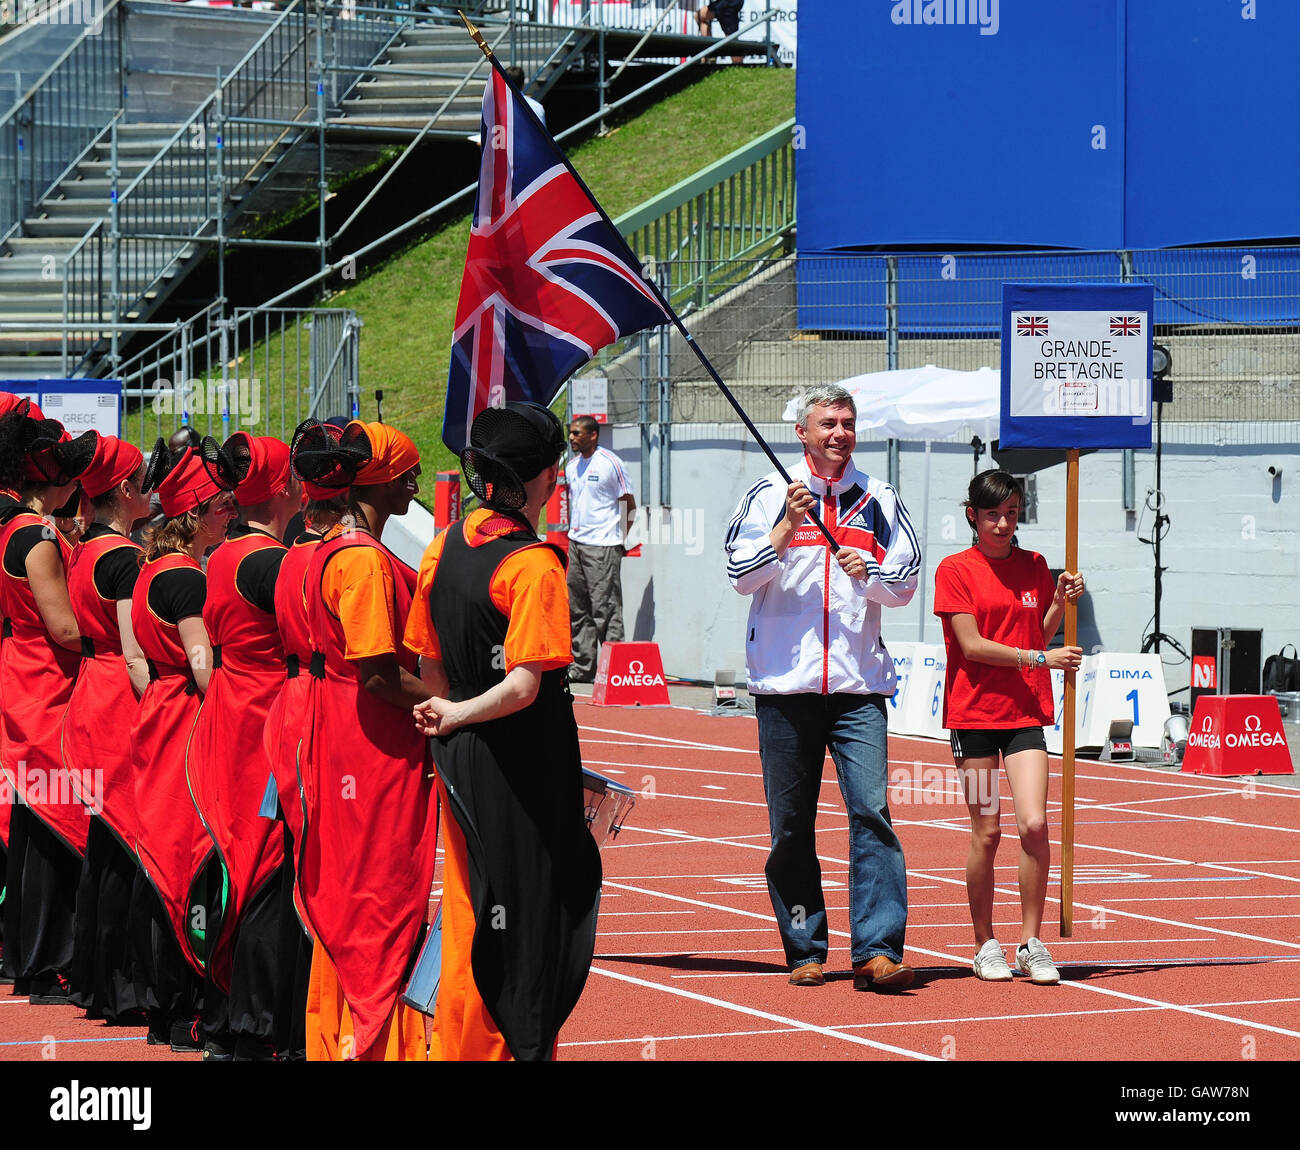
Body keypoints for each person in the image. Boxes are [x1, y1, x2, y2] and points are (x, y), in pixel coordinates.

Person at [408, 402, 601, 1061]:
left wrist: (453, 717)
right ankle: (507, 1048)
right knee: (527, 921)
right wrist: (464, 715)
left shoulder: (443, 545)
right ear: (544, 479)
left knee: (472, 908)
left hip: (461, 761)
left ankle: (460, 1045)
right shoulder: (533, 565)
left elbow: (430, 663)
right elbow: (524, 686)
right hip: (518, 767)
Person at [724, 383, 920, 991]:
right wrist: (785, 526)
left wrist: (873, 575)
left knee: (872, 812)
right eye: (827, 422)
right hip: (784, 688)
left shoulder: (879, 497)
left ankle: (877, 949)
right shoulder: (767, 495)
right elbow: (737, 574)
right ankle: (804, 947)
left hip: (859, 689)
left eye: (847, 422)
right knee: (790, 826)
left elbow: (908, 578)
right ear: (802, 433)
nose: (840, 432)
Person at [293, 420, 435, 1061]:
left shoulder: (317, 548)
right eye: (406, 472)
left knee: (345, 883)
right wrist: (450, 705)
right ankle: (371, 1038)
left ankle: (336, 1030)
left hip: (331, 724)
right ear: (378, 482)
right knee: (381, 887)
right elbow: (376, 672)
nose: (415, 481)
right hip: (369, 740)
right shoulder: (361, 562)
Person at [932, 469, 1084, 985]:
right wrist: (1039, 659)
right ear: (972, 515)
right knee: (987, 830)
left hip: (1024, 715)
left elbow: (1039, 632)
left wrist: (1062, 601)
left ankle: (1031, 942)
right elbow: (972, 645)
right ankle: (983, 943)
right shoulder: (955, 570)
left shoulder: (1036, 565)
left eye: (1013, 514)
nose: (1003, 524)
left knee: (1035, 824)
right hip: (972, 716)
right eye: (993, 514)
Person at [185, 432, 298, 1060]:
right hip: (263, 719)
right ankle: (256, 1023)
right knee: (266, 868)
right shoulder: (272, 562)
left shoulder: (224, 553)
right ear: (283, 486)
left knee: (236, 864)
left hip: (229, 711)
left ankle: (227, 1014)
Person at [128, 443, 237, 1050]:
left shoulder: (148, 569)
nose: (230, 512)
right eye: (220, 505)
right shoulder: (186, 578)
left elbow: (137, 659)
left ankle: (164, 1005)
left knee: (166, 856)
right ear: (194, 514)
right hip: (189, 723)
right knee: (192, 859)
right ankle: (187, 1001)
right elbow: (203, 664)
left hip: (159, 715)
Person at [0, 406, 96, 1002]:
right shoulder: (32, 536)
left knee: (35, 823)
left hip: (21, 674)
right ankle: (45, 959)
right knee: (54, 821)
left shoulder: (13, 530)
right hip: (44, 682)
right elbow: (63, 627)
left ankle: (26, 955)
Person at [63, 433, 151, 1025]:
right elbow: (135, 649)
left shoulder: (87, 549)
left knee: (104, 844)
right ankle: (119, 984)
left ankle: (94, 976)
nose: (149, 489)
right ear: (123, 490)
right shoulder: (121, 557)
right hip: (119, 693)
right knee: (123, 845)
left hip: (92, 690)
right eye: (142, 479)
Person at [565, 415, 635, 683]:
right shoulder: (572, 466)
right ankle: (584, 667)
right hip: (577, 544)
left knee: (605, 609)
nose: (572, 438)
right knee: (578, 608)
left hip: (603, 545)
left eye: (577, 433)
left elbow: (628, 501)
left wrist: (621, 539)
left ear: (593, 435)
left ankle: (614, 668)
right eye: (571, 433)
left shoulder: (610, 463)